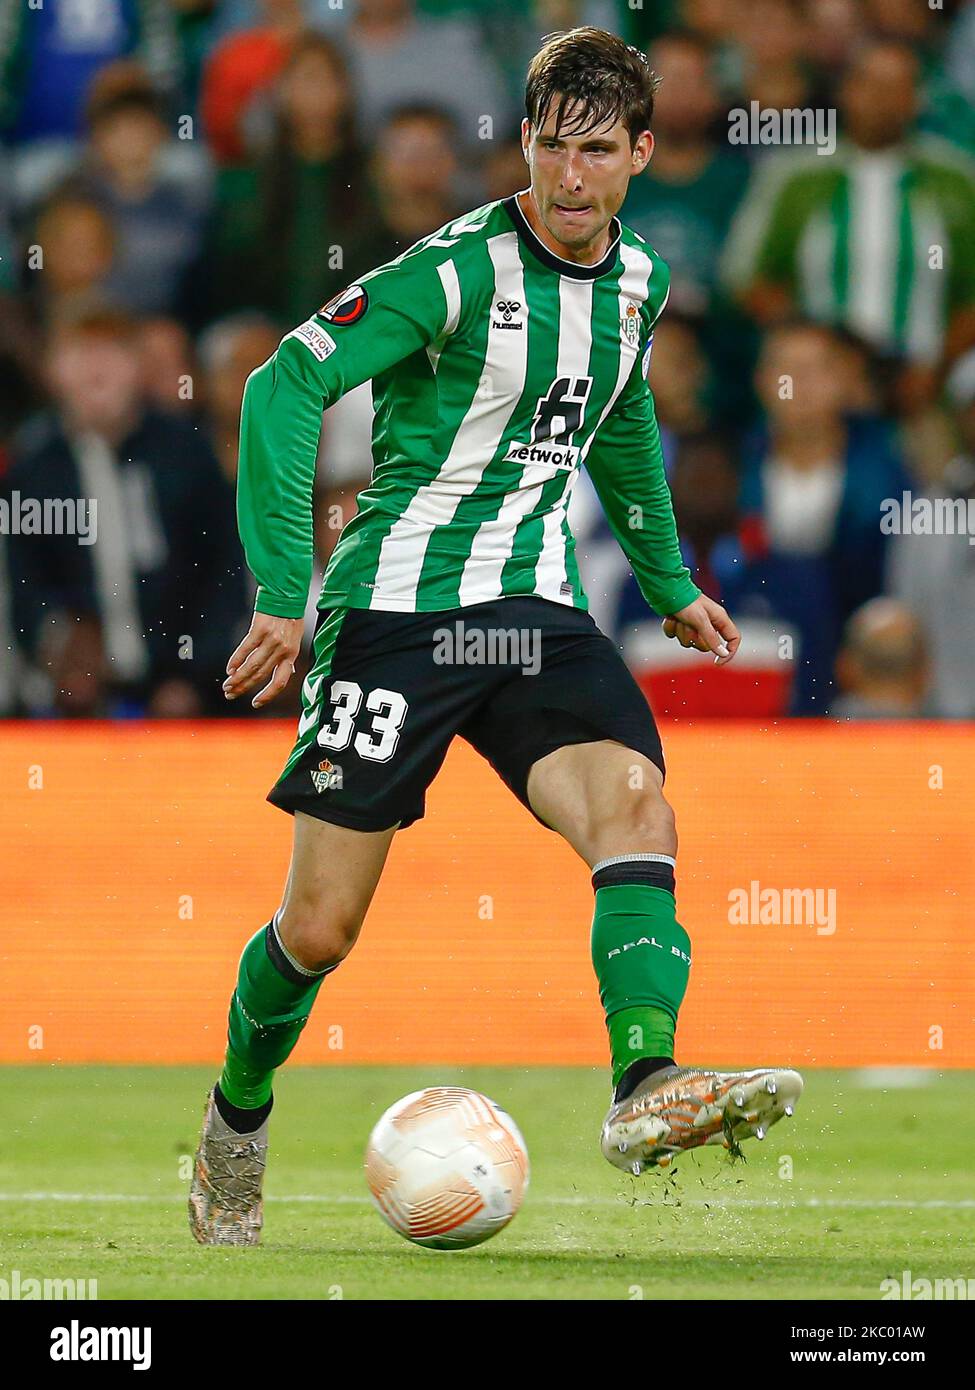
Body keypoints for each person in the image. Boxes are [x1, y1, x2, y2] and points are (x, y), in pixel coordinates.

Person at [189, 26, 803, 1247]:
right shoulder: (456, 269)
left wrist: (668, 579)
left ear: (641, 150)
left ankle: (643, 1087)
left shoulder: (641, 282)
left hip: (532, 616)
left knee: (635, 806)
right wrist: (278, 589)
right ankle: (235, 1121)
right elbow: (281, 383)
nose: (569, 178)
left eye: (596, 151)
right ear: (523, 144)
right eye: (547, 148)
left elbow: (619, 416)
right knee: (319, 928)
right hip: (396, 619)